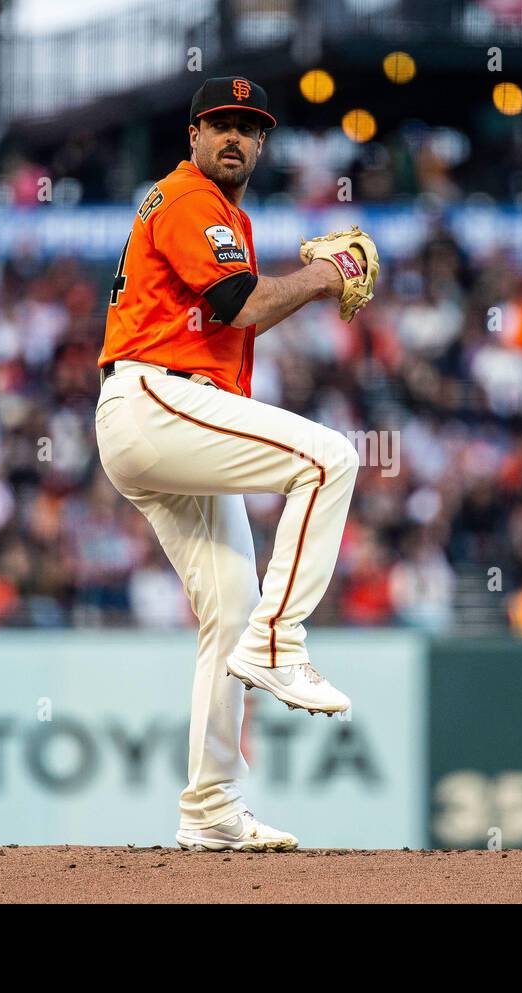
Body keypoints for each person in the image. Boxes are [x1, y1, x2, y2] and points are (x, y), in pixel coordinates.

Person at [93, 77, 379, 852]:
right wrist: (326, 277)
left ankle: (212, 807)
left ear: (261, 145)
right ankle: (282, 642)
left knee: (229, 606)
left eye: (247, 128)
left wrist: (308, 279)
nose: (232, 136)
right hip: (154, 400)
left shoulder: (228, 217)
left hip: (166, 413)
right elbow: (239, 303)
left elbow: (234, 309)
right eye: (218, 123)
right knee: (330, 457)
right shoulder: (187, 198)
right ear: (192, 136)